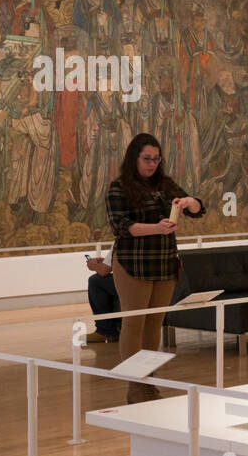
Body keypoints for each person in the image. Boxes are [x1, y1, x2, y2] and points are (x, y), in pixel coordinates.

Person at [105, 132, 204, 402]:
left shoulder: (165, 184)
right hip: (133, 263)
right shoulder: (119, 187)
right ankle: (134, 384)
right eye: (146, 159)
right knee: (134, 323)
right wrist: (157, 228)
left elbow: (198, 207)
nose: (151, 164)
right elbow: (122, 227)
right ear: (134, 158)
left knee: (154, 323)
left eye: (156, 159)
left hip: (164, 262)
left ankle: (149, 379)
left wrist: (189, 202)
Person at [85, 254, 121, 344]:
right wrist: (107, 261)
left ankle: (106, 330)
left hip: (134, 282)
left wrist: (94, 265)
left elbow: (103, 271)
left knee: (95, 280)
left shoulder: (122, 241)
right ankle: (116, 327)